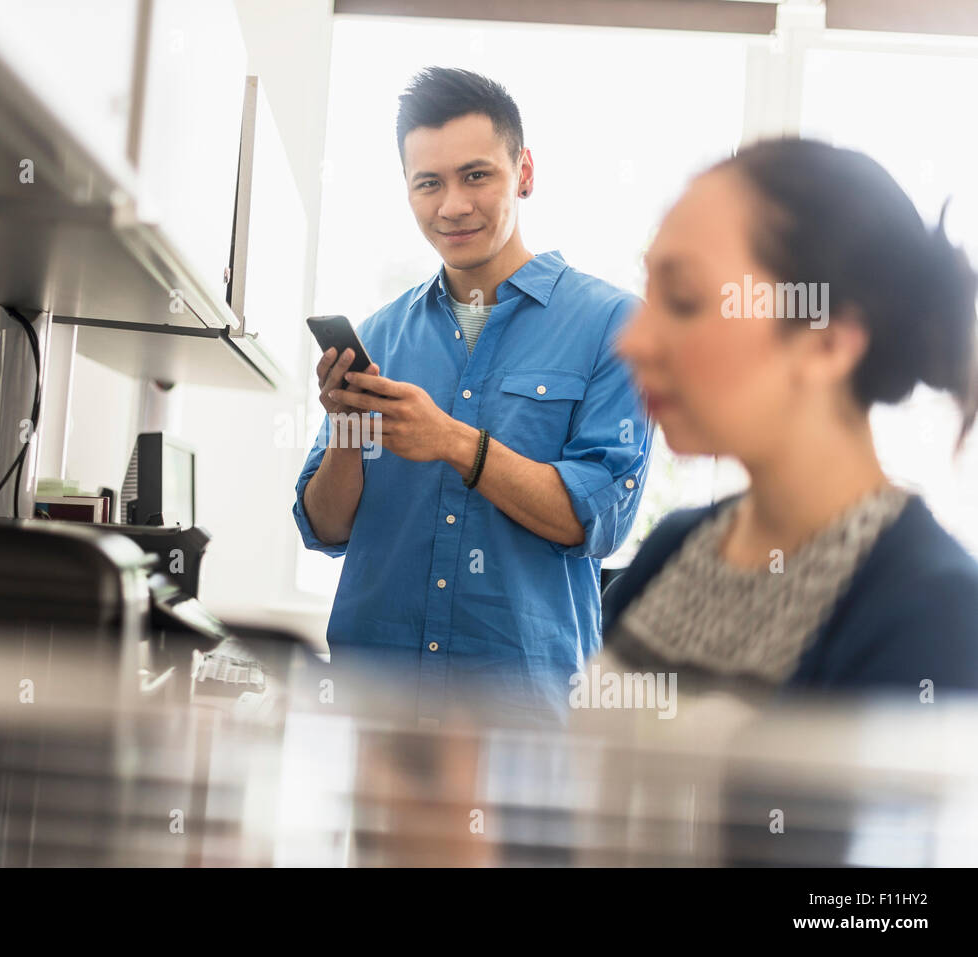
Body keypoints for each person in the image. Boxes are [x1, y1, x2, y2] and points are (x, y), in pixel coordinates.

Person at [292, 67, 651, 726]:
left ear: (525, 172)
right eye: (428, 182)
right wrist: (345, 428)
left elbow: (597, 519)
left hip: (523, 715)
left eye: (476, 175)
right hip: (373, 707)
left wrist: (453, 441)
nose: (451, 205)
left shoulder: (615, 326)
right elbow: (327, 527)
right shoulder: (378, 334)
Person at [598, 137, 978, 716]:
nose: (631, 340)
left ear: (827, 342)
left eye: (683, 299)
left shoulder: (933, 608)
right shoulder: (675, 546)